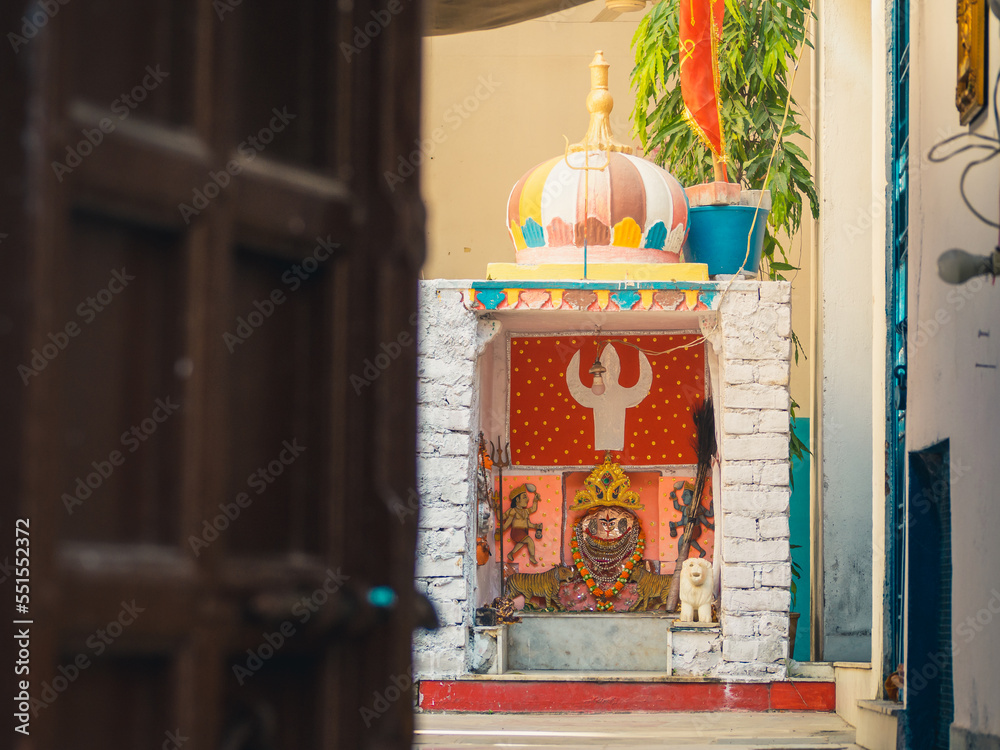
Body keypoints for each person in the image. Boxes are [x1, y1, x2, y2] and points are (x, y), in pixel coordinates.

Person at [503, 483, 541, 564]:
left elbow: (529, 522)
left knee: (521, 544)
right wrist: (502, 529)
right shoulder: (513, 511)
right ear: (517, 499)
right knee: (529, 541)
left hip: (524, 531)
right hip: (516, 532)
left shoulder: (525, 512)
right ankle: (532, 557)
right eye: (524, 497)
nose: (527, 499)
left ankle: (511, 554)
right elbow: (507, 521)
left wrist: (535, 500)